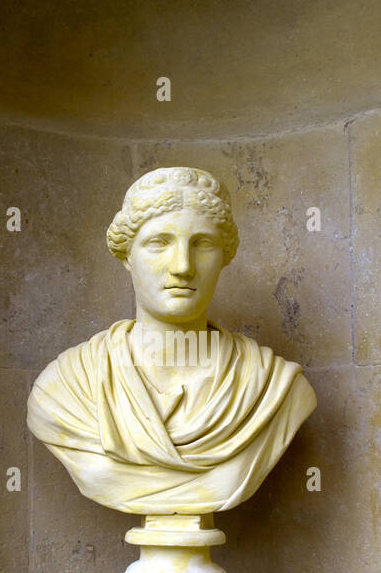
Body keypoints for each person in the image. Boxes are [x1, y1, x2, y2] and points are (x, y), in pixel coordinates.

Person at [27, 166, 316, 514]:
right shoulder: (63, 391)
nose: (182, 266)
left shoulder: (274, 390)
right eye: (158, 243)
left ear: (224, 257)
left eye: (203, 244)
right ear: (126, 256)